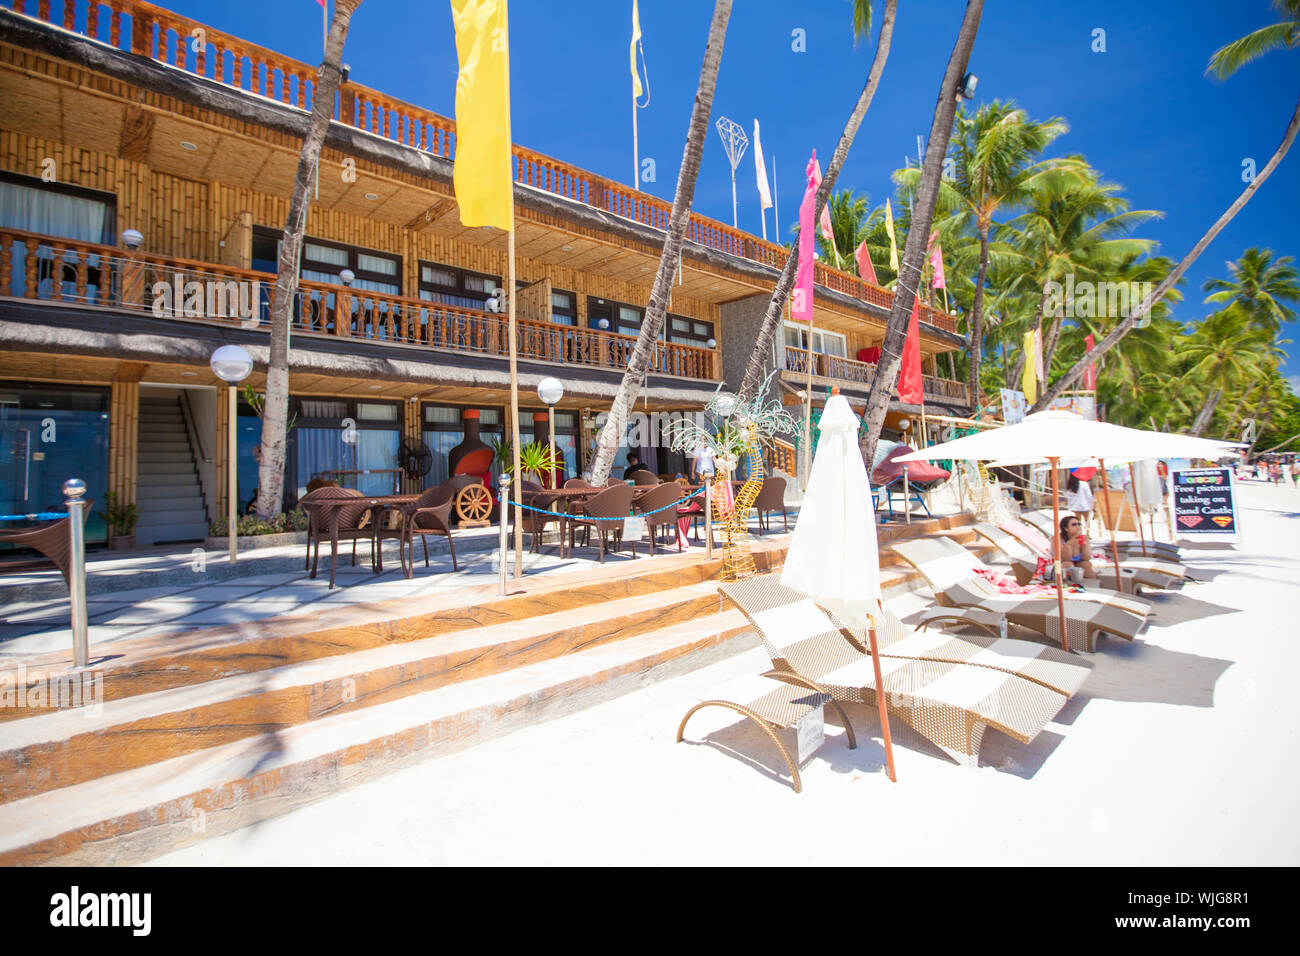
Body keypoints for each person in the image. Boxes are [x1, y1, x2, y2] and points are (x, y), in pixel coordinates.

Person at [1055, 514, 1095, 582]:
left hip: (1078, 563)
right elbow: (1065, 559)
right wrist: (1068, 545)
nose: (1078, 526)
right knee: (1068, 564)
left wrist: (1084, 545)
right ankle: (1068, 584)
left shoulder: (1082, 538)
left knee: (1087, 565)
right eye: (1074, 525)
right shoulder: (1058, 539)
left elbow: (1086, 558)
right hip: (1059, 565)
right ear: (1066, 528)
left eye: (1079, 524)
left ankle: (1093, 585)